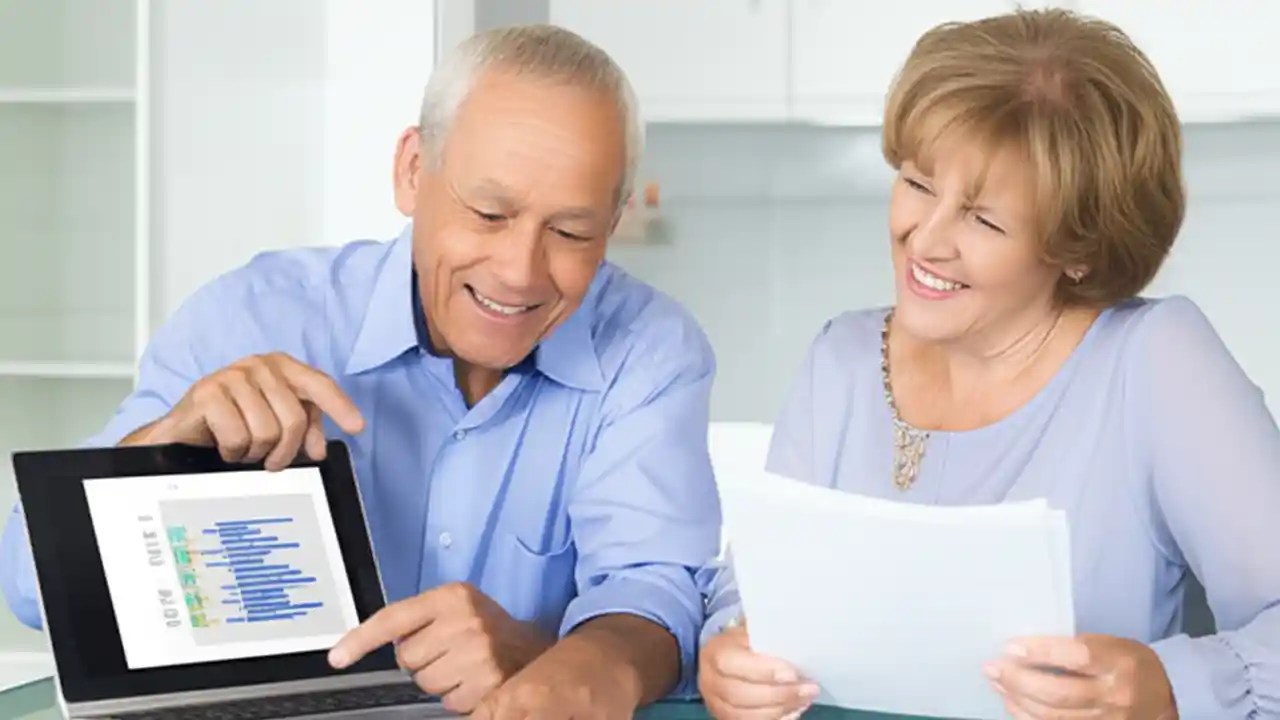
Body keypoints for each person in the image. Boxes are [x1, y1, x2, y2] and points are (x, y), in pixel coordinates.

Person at [0, 25, 722, 718]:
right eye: (490, 213)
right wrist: (160, 451)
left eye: (571, 232)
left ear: (617, 218)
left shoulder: (649, 350)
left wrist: (560, 663)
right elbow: (30, 588)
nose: (519, 270)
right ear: (412, 171)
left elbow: (654, 596)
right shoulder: (251, 318)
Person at [697, 8, 1280, 720]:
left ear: (1078, 250)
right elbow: (757, 593)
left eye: (983, 219)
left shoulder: (1156, 361)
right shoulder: (842, 361)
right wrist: (731, 650)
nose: (925, 239)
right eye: (917, 184)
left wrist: (1167, 686)